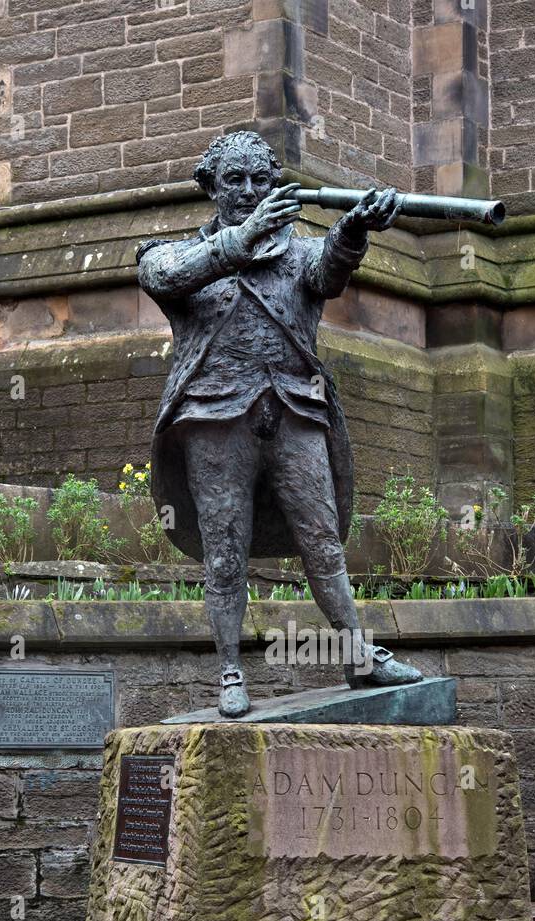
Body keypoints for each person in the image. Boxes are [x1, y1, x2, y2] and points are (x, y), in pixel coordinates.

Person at [136, 130, 422, 717]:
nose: (247, 190)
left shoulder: (296, 254)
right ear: (211, 187)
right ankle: (231, 671)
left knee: (324, 543)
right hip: (213, 416)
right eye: (234, 181)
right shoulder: (169, 255)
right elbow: (166, 278)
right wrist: (239, 241)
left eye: (260, 180)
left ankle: (358, 654)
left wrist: (355, 228)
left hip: (294, 409)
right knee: (225, 552)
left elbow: (329, 272)